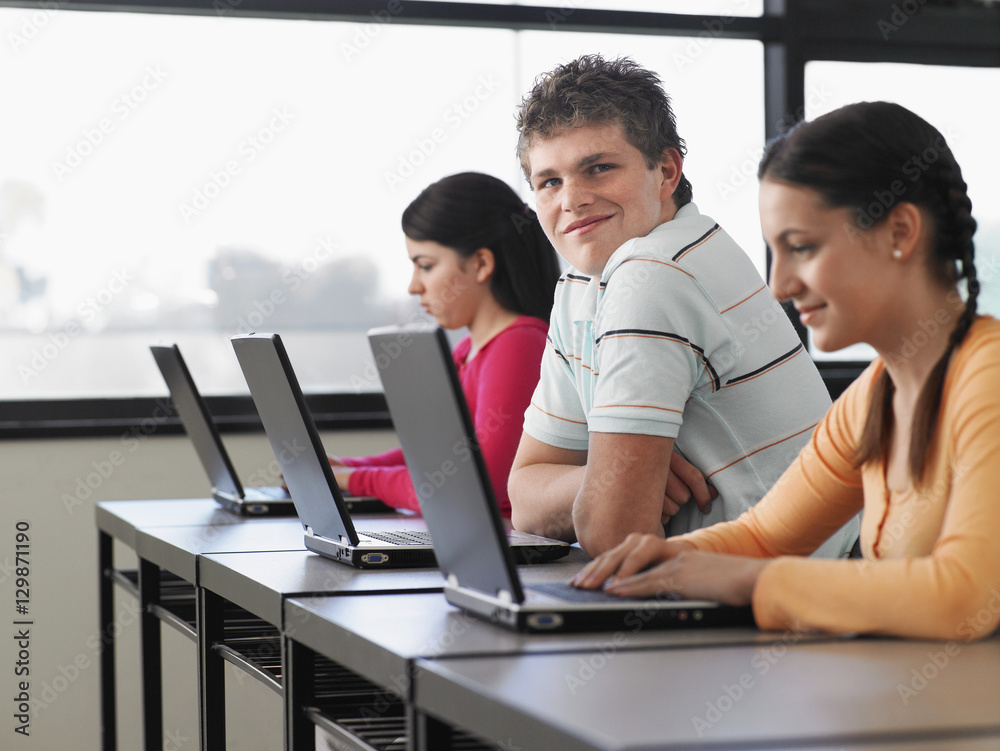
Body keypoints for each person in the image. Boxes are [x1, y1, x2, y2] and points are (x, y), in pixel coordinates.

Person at [573, 101, 1000, 641]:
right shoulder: (876, 398)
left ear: (899, 232)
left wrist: (754, 581)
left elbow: (963, 598)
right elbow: (763, 536)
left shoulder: (987, 380)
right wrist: (653, 563)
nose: (782, 287)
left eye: (803, 247)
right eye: (777, 253)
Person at [507, 53, 858, 558]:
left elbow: (612, 533)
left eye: (599, 168)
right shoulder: (583, 285)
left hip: (805, 591)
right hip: (735, 583)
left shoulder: (655, 272)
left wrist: (615, 486)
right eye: (549, 182)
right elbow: (525, 497)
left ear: (666, 171)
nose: (572, 200)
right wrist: (606, 476)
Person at [329, 171, 562, 516]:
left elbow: (467, 489)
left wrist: (355, 479)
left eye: (425, 266)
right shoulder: (470, 350)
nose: (414, 286)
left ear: (481, 264)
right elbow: (438, 457)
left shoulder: (519, 345)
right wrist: (346, 467)